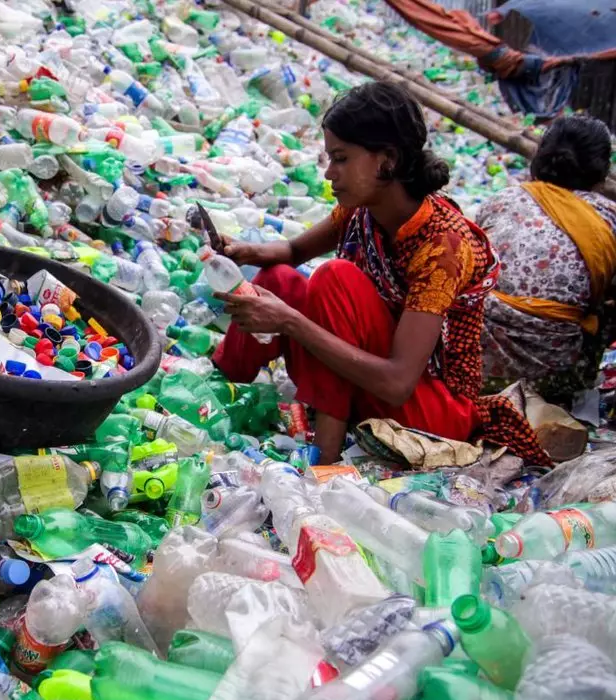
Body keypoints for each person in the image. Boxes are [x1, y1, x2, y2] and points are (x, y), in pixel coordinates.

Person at [212, 81, 549, 466]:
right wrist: (241, 251)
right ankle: (219, 389)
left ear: (386, 160)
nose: (328, 174)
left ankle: (324, 458)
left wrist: (289, 323)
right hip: (367, 375)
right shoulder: (364, 209)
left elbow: (397, 381)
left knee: (334, 278)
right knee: (277, 280)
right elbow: (293, 251)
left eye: (340, 159)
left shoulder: (442, 245)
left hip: (426, 408)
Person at [479, 115, 616, 404]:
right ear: (601, 167)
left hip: (477, 366)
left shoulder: (502, 200)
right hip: (552, 377)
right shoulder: (609, 217)